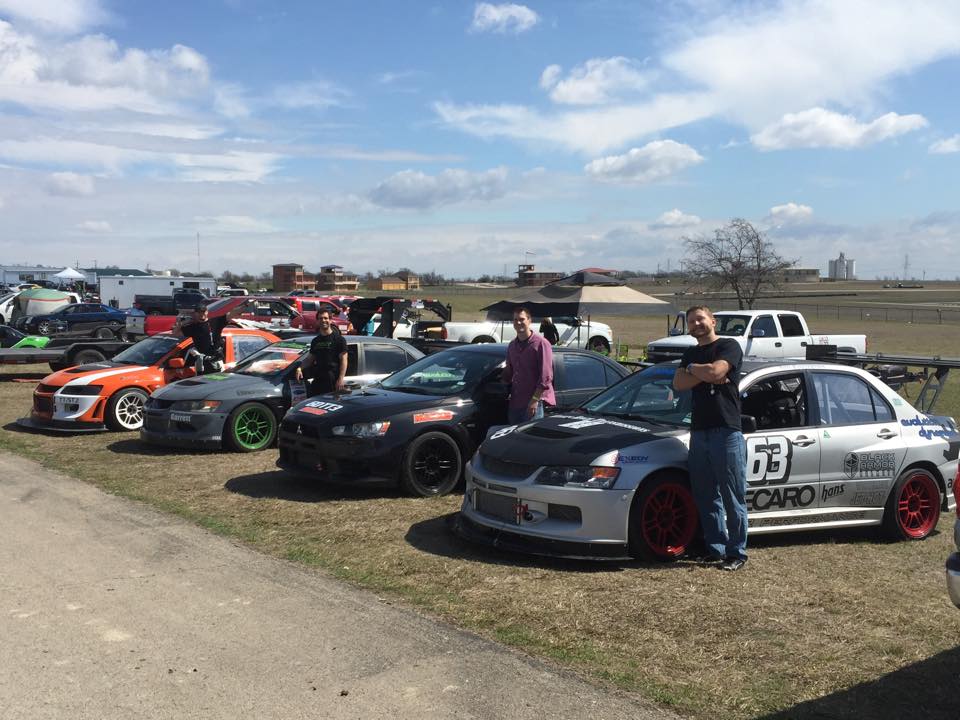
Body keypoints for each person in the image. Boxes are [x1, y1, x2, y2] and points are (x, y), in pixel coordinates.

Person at [673, 305, 748, 572]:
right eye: (691, 321)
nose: (696, 324)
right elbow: (678, 384)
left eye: (700, 319)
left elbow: (717, 373)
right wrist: (700, 369)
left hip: (726, 431)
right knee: (705, 494)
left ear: (713, 321)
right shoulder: (691, 353)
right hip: (699, 431)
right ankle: (715, 549)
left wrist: (694, 370)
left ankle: (736, 552)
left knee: (732, 494)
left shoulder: (729, 346)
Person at [502, 306, 555, 424]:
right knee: (515, 440)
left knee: (530, 441)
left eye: (522, 319)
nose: (518, 322)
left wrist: (534, 400)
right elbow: (509, 373)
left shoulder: (541, 344)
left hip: (534, 404)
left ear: (529, 320)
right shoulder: (512, 345)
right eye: (515, 320)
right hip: (515, 403)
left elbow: (546, 377)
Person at [295, 309, 348, 396]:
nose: (323, 320)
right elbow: (309, 359)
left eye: (325, 318)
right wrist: (300, 368)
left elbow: (344, 360)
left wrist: (340, 379)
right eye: (320, 318)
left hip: (333, 380)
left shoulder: (339, 339)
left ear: (330, 320)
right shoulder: (315, 341)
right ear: (317, 321)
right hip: (319, 379)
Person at [174, 302, 236, 375]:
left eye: (203, 312)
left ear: (207, 312)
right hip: (202, 364)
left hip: (216, 362)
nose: (201, 314)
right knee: (202, 384)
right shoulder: (193, 327)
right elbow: (176, 333)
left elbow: (231, 314)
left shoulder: (215, 322)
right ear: (195, 314)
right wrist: (181, 323)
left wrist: (246, 305)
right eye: (199, 312)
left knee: (216, 383)